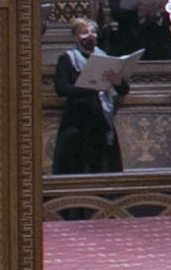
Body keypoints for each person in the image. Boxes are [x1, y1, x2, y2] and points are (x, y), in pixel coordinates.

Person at [53, 16, 123, 177]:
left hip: (101, 121)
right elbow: (61, 88)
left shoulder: (104, 57)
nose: (90, 35)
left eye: (93, 32)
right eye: (84, 33)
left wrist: (117, 80)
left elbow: (123, 89)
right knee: (76, 165)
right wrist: (89, 87)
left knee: (102, 164)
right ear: (76, 36)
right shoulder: (67, 58)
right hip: (77, 121)